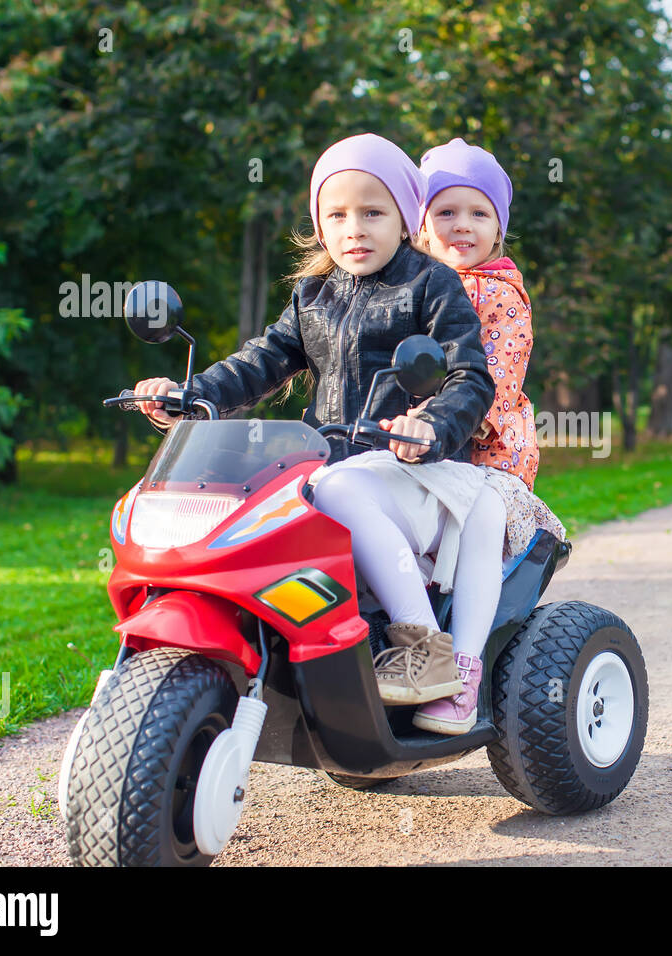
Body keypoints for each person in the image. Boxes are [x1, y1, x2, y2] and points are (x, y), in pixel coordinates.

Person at [133, 132, 497, 714]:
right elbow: (258, 363)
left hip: (414, 474)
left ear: (405, 218)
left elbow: (471, 377)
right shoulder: (312, 297)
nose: (354, 228)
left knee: (334, 485)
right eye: (338, 214)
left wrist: (430, 424)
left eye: (373, 212)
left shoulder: (431, 284)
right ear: (319, 224)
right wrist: (187, 393)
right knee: (263, 501)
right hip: (334, 467)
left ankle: (424, 646)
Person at [404, 137, 566, 734]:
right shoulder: (409, 287)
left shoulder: (498, 294)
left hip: (486, 451)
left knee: (475, 521)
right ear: (421, 224)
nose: (462, 225)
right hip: (416, 443)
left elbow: (493, 380)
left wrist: (436, 419)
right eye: (446, 212)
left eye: (479, 213)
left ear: (499, 227)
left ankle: (463, 666)